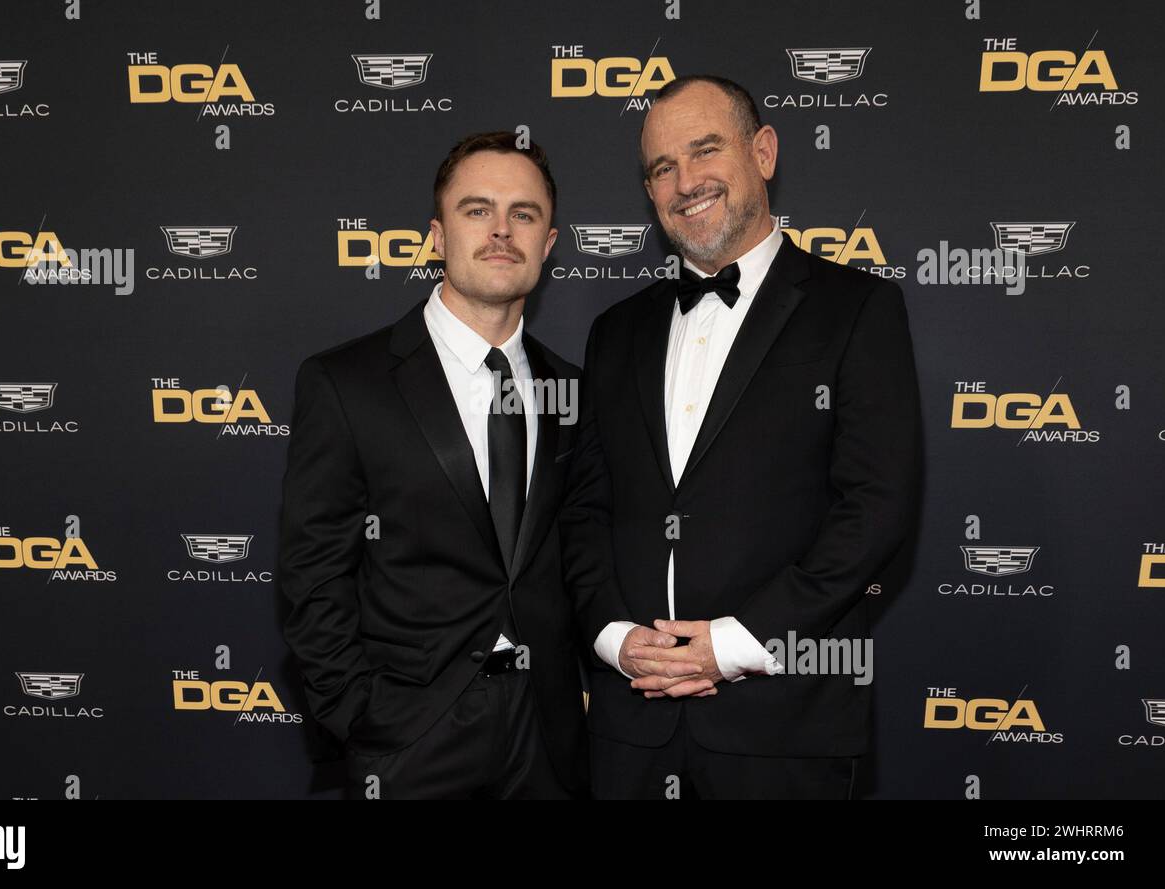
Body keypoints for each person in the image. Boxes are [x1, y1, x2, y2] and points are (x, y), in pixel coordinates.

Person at [561, 75, 923, 799]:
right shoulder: (615, 334)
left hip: (784, 731)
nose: (684, 182)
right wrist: (613, 639)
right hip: (632, 733)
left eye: (704, 151)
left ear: (763, 152)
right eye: (662, 168)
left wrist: (728, 647)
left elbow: (877, 506)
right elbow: (584, 509)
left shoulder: (857, 310)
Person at [279, 131, 586, 799]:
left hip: (550, 742)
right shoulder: (348, 382)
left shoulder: (576, 391)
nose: (502, 230)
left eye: (524, 214)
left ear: (550, 244)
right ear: (437, 236)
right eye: (477, 210)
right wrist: (363, 718)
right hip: (410, 741)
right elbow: (312, 573)